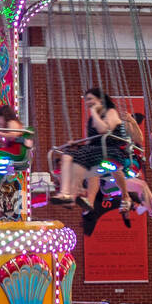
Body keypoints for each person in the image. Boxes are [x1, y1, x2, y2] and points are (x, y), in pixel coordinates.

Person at [56, 89, 135, 223]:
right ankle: (65, 193)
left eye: (91, 99)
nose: (88, 102)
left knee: (84, 160)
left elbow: (103, 130)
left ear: (100, 100)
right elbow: (93, 140)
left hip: (111, 150)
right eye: (87, 99)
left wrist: (94, 112)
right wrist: (75, 144)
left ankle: (79, 193)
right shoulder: (92, 118)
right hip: (95, 149)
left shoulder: (110, 112)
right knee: (67, 155)